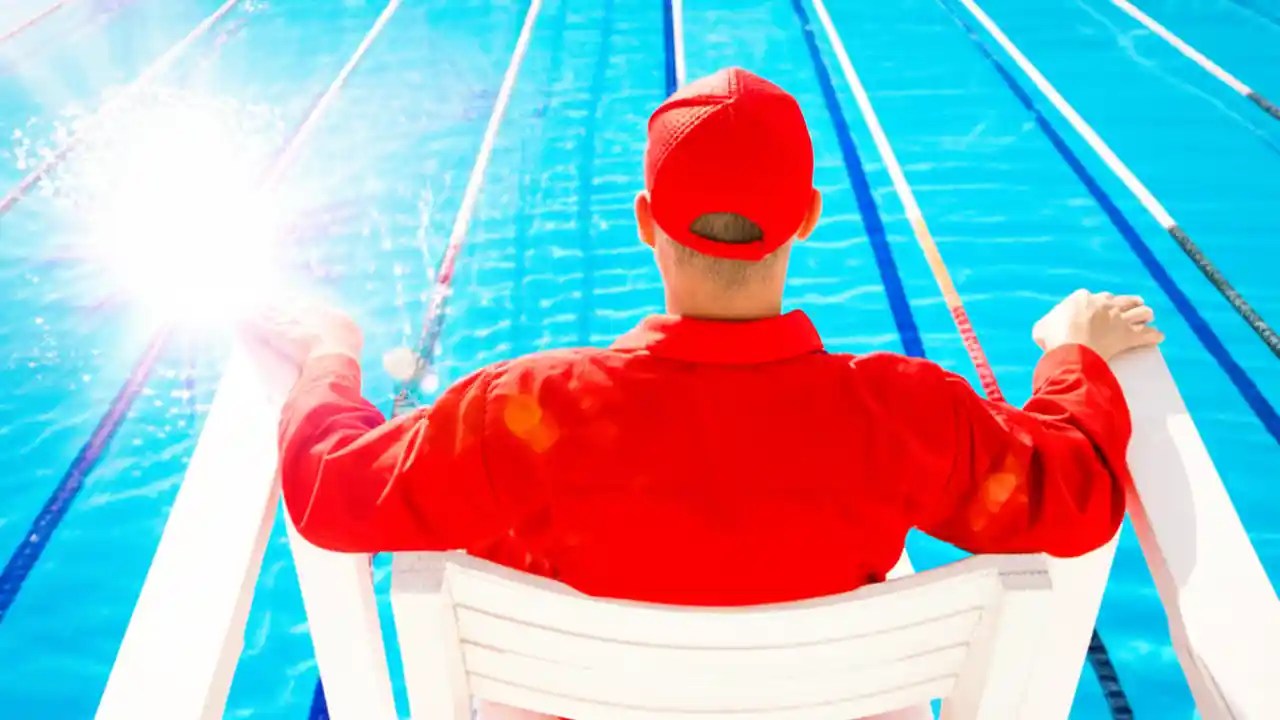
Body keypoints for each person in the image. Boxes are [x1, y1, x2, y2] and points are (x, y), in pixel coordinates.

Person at [259, 67, 1163, 608]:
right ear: (807, 218)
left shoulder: (523, 409)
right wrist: (1072, 355)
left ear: (644, 222)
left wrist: (331, 357)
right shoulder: (907, 414)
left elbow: (330, 491)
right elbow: (1077, 497)